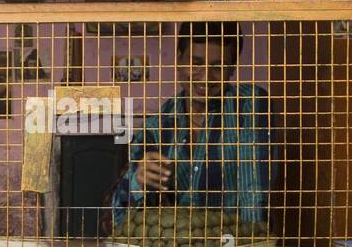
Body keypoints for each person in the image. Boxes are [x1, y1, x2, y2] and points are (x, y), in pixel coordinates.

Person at [108, 21, 272, 231]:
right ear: (179, 59)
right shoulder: (156, 127)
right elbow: (118, 216)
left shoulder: (249, 105)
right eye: (196, 63)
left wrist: (252, 246)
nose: (205, 77)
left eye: (217, 66)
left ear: (232, 68)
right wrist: (138, 182)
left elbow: (254, 191)